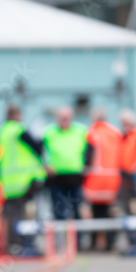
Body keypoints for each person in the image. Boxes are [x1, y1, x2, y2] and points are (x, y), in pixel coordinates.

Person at [0, 105, 46, 255]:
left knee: (10, 214)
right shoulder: (18, 129)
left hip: (8, 183)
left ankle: (12, 245)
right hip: (26, 180)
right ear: (17, 115)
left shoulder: (1, 132)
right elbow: (37, 147)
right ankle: (25, 245)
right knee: (25, 213)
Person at [42, 106, 91, 224]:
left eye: (66, 117)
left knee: (77, 209)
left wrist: (87, 165)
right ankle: (60, 240)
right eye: (62, 117)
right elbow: (40, 151)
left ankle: (78, 240)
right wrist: (45, 165)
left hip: (76, 177)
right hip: (56, 177)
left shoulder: (81, 131)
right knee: (58, 211)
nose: (64, 120)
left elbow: (90, 150)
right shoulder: (48, 132)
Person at [83, 108, 122, 250]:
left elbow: (88, 156)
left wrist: (84, 169)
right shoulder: (115, 132)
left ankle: (94, 243)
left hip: (96, 179)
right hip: (113, 179)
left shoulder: (92, 132)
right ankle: (110, 242)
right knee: (110, 212)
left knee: (95, 212)